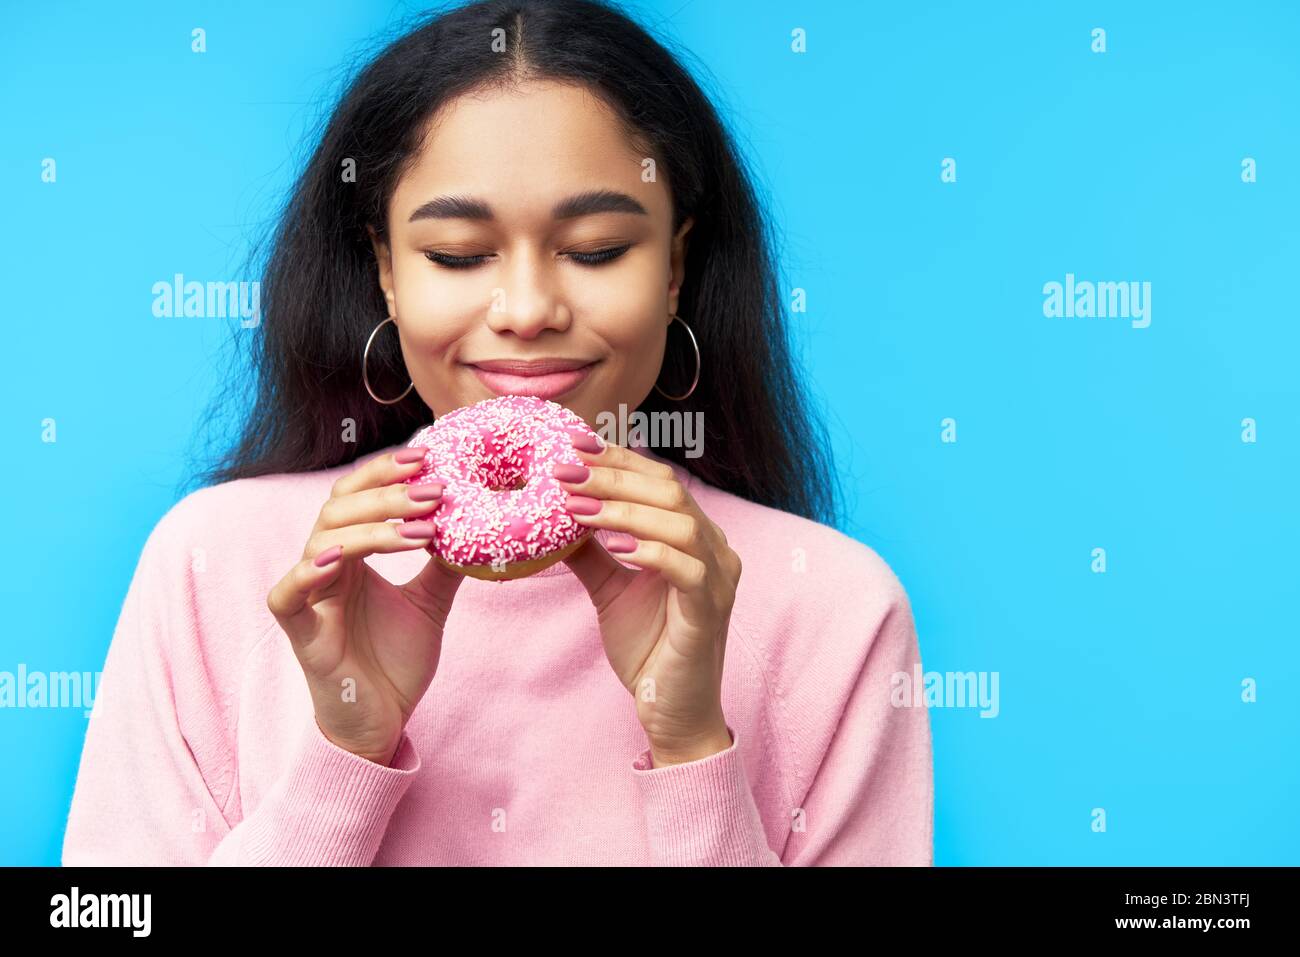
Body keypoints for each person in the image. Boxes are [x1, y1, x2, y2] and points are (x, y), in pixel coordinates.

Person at [61, 0, 933, 866]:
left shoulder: (835, 609)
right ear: (386, 270)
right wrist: (344, 755)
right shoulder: (219, 567)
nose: (525, 310)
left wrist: (693, 746)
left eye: (595, 249)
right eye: (456, 254)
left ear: (674, 266)